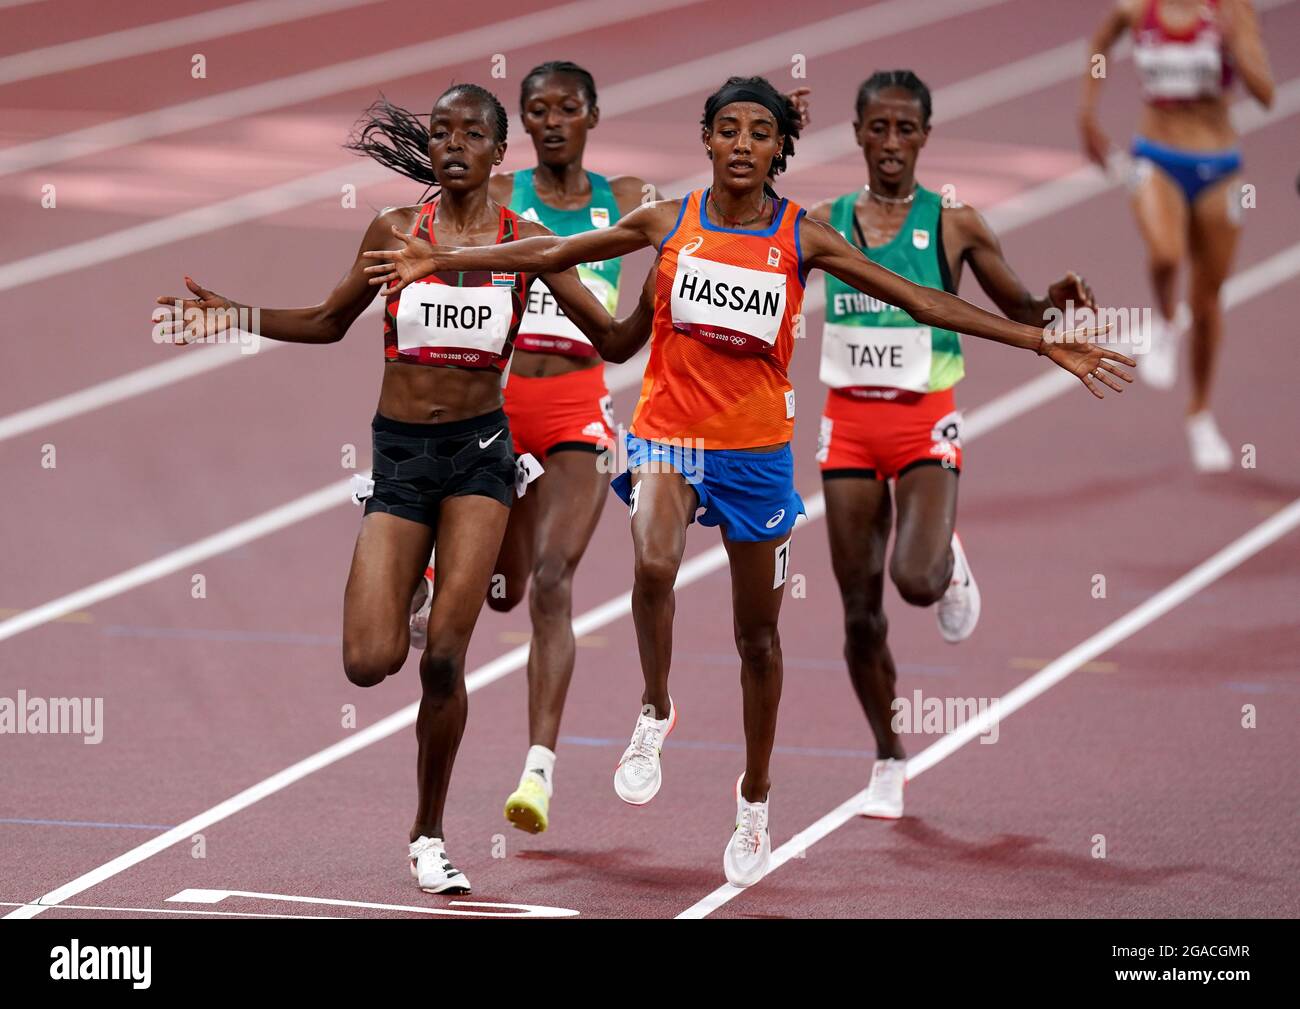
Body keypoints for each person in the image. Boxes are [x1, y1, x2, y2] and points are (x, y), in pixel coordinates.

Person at [363, 75, 1133, 887]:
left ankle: (756, 796)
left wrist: (1039, 341)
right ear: (706, 141)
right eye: (726, 129)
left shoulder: (805, 238)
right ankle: (656, 709)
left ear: (777, 149)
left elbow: (920, 298)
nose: (740, 143)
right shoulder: (669, 220)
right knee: (653, 560)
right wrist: (442, 254)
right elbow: (551, 251)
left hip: (756, 454)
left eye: (758, 132)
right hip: (670, 437)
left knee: (757, 639)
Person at [155, 83, 651, 895]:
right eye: (441, 132)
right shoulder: (393, 230)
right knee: (368, 659)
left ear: (499, 153)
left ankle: (428, 833)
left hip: (482, 460)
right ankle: (413, 595)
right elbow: (326, 321)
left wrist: (671, 285)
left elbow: (618, 341)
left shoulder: (524, 241)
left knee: (445, 662)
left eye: (471, 133)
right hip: (401, 461)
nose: (453, 143)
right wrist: (230, 316)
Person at [811, 70, 1100, 820]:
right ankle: (887, 753)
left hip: (922, 422)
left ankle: (946, 559)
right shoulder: (823, 221)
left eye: (907, 129)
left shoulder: (955, 221)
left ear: (926, 138)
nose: (892, 143)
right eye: (879, 127)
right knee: (858, 613)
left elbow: (1018, 305)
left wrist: (1053, 304)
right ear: (858, 134)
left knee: (912, 578)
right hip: (846, 424)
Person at [1080, 0, 1273, 470]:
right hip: (1154, 156)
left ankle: (1200, 413)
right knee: (1166, 255)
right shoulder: (1136, 8)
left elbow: (1266, 94)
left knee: (1208, 303)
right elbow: (1099, 45)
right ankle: (1165, 323)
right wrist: (1088, 112)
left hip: (1219, 167)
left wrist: (1236, 47)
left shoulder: (1230, 10)